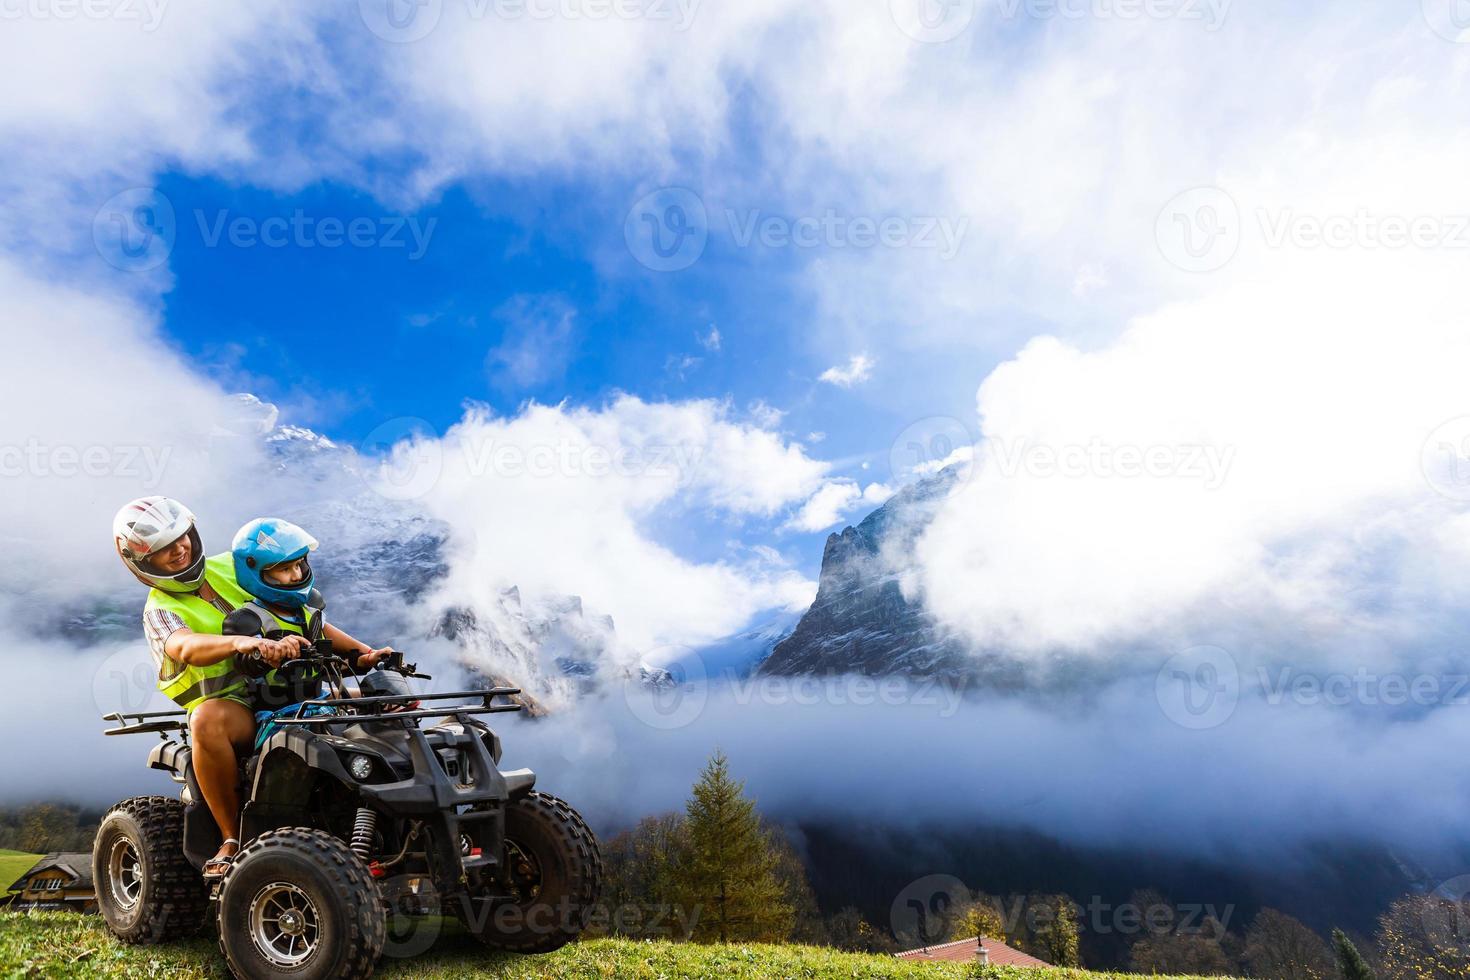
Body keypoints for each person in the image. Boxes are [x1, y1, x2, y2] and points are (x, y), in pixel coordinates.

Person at [113, 496, 307, 879]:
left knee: (379, 704)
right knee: (206, 720)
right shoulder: (160, 610)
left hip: (296, 690)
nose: (179, 548)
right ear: (142, 563)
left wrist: (366, 654)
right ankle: (232, 837)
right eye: (163, 548)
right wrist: (241, 643)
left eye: (182, 536)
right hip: (237, 708)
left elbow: (298, 610)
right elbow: (184, 645)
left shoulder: (232, 567)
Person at [225, 517, 393, 718]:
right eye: (285, 569)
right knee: (323, 748)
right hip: (277, 716)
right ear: (255, 571)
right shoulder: (246, 619)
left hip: (318, 704)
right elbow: (246, 664)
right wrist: (269, 651)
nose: (296, 575)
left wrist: (364, 660)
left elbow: (321, 667)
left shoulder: (308, 612)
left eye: (298, 565)